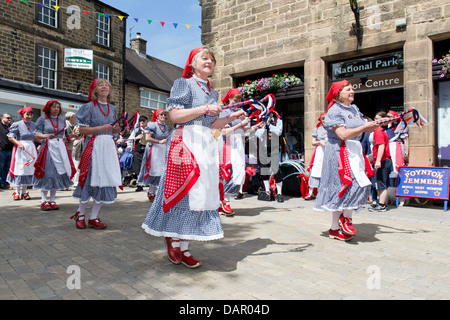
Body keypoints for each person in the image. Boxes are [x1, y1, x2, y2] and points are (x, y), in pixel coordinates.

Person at [141, 47, 245, 268]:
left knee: (200, 195)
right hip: (185, 140)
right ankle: (173, 237)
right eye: (204, 58)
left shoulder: (213, 91)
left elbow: (212, 124)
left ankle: (185, 247)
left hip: (205, 142)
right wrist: (204, 108)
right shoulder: (183, 83)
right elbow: (175, 115)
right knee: (182, 191)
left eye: (212, 59)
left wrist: (231, 117)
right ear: (193, 63)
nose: (209, 62)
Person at [313, 80, 379, 241]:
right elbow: (342, 134)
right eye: (348, 89)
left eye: (352, 89)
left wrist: (373, 125)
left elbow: (360, 127)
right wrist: (364, 127)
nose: (352, 91)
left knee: (359, 184)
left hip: (354, 150)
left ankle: (336, 227)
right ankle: (345, 220)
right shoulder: (334, 111)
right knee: (346, 185)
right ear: (338, 94)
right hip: (339, 151)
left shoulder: (355, 109)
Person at [70, 79, 122, 229]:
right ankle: (80, 214)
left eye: (107, 85)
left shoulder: (112, 108)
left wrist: (115, 130)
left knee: (105, 178)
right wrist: (102, 128)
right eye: (101, 85)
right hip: (94, 145)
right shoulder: (88, 107)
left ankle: (93, 217)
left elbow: (109, 129)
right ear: (95, 90)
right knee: (89, 178)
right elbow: (82, 130)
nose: (105, 87)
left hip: (108, 147)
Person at [218, 88, 264, 215]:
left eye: (239, 99)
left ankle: (223, 201)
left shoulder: (240, 112)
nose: (238, 101)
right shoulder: (224, 112)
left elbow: (243, 132)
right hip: (227, 145)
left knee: (239, 172)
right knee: (228, 172)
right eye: (235, 99)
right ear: (228, 99)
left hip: (238, 144)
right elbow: (225, 132)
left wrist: (254, 127)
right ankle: (225, 202)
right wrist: (241, 124)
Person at [33, 100, 76, 211]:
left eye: (58, 107)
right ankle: (43, 200)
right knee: (48, 172)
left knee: (58, 172)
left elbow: (64, 136)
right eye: (53, 107)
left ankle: (52, 200)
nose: (56, 109)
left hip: (60, 148)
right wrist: (46, 135)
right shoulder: (42, 119)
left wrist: (75, 135)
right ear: (48, 108)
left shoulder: (62, 121)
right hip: (47, 147)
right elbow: (36, 135)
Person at [137, 109, 170, 201]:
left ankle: (157, 193)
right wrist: (159, 141)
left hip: (162, 150)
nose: (163, 116)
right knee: (154, 170)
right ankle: (151, 192)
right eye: (161, 114)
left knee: (161, 171)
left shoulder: (167, 127)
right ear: (157, 116)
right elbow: (147, 138)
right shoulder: (152, 125)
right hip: (154, 149)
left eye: (164, 114)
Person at [6, 107, 37, 200]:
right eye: (27, 114)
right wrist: (18, 143)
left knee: (28, 169)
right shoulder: (17, 124)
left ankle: (24, 192)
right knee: (20, 168)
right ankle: (16, 191)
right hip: (21, 148)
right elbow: (10, 137)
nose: (29, 116)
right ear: (23, 115)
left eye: (31, 114)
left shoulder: (34, 125)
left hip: (31, 148)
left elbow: (36, 137)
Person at [255, 111, 284, 202]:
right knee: (264, 171)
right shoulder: (261, 121)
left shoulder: (277, 120)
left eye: (270, 113)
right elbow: (258, 134)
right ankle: (267, 192)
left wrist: (269, 125)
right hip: (263, 149)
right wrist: (264, 125)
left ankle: (279, 193)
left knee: (276, 171)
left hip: (274, 149)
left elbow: (278, 131)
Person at [368, 111, 392, 213]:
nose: (375, 121)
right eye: (375, 118)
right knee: (379, 183)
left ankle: (382, 205)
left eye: (378, 119)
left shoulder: (378, 131)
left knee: (381, 183)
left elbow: (381, 146)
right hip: (383, 160)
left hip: (383, 160)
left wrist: (378, 161)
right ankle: (380, 202)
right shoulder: (380, 131)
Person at [305, 112, 327, 200]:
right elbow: (313, 142)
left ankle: (325, 194)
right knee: (316, 170)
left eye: (326, 118)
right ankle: (311, 192)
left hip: (329, 151)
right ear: (320, 120)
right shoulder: (317, 129)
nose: (325, 120)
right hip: (320, 151)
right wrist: (319, 142)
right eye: (323, 118)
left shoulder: (332, 129)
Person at [132, 115, 148, 192]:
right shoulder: (136, 130)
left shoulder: (149, 130)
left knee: (145, 168)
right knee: (138, 169)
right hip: (138, 151)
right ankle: (139, 185)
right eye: (140, 120)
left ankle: (147, 183)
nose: (142, 122)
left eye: (143, 120)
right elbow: (129, 139)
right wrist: (136, 138)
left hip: (146, 151)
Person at [0, 113, 14, 189]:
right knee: (1, 168)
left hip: (10, 150)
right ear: (2, 118)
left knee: (7, 168)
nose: (9, 119)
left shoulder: (11, 127)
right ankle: (3, 183)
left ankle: (5, 183)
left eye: (10, 118)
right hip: (2, 150)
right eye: (8, 118)